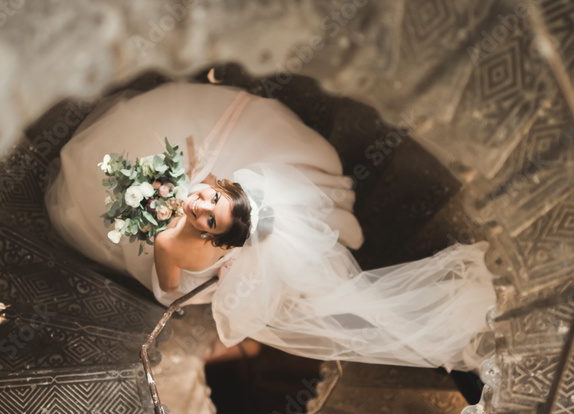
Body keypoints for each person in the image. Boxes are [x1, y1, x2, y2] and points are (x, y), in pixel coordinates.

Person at [45, 81, 495, 371]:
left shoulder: (167, 240)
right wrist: (180, 186)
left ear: (210, 237)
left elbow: (170, 292)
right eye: (214, 196)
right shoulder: (224, 228)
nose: (200, 197)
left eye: (206, 214)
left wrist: (152, 217)